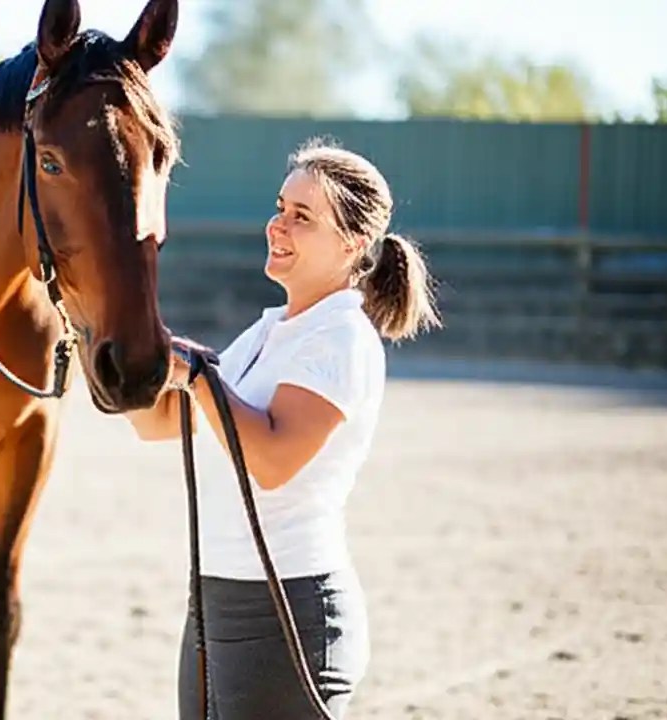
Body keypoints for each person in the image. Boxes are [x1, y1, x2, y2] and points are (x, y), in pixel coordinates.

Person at [126, 137, 440, 719]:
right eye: (279, 208)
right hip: (215, 601)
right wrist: (117, 352)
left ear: (353, 243)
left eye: (303, 217)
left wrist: (198, 377)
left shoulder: (341, 339)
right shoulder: (267, 333)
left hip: (288, 609)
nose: (278, 226)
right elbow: (160, 423)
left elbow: (271, 461)